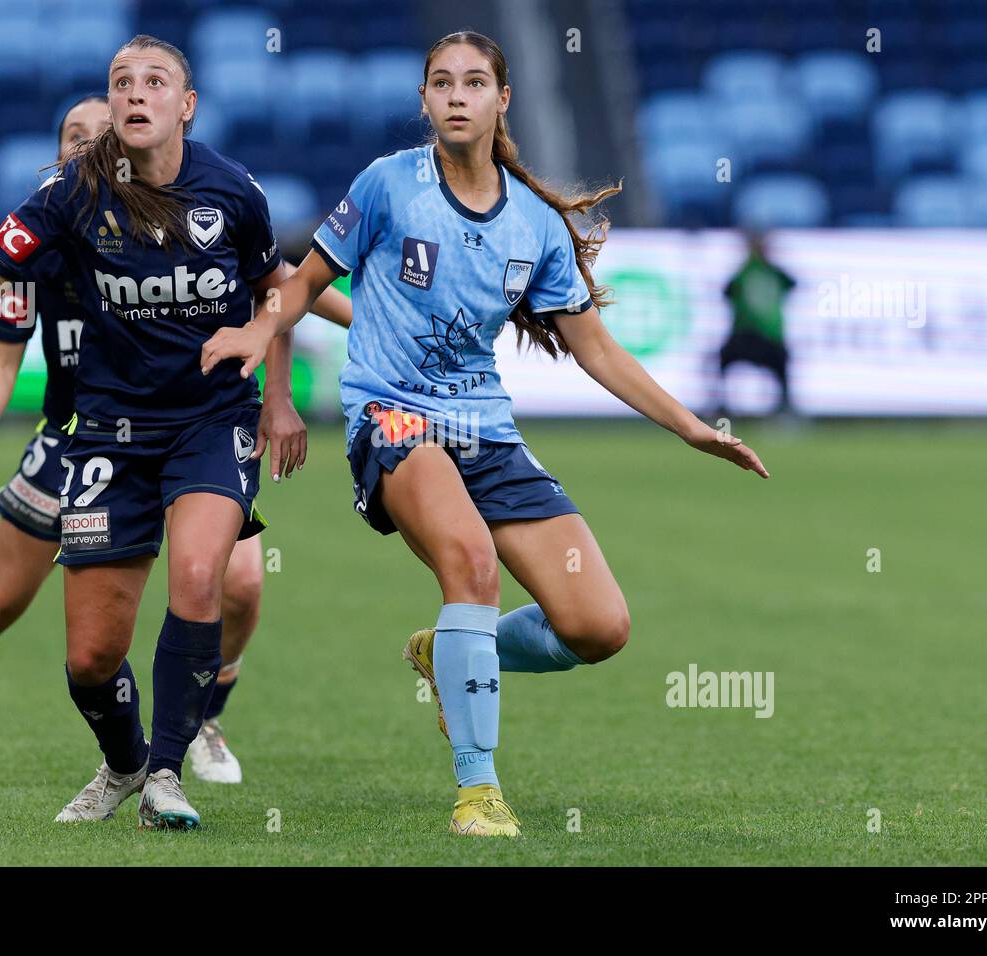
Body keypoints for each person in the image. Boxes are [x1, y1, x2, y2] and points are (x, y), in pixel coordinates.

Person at [201, 31, 770, 837]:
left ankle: (449, 652)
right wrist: (268, 363)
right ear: (426, 101)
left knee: (597, 627)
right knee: (470, 562)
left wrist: (689, 428)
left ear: (503, 100)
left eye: (474, 83)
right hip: (391, 417)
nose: (457, 95)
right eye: (442, 83)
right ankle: (479, 792)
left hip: (486, 430)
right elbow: (302, 283)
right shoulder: (387, 185)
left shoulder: (533, 223)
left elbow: (595, 348)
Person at [0, 94, 347, 788]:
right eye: (73, 136)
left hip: (194, 429)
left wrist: (365, 329)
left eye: (98, 134)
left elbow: (280, 289)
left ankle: (201, 721)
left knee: (242, 587)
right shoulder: (49, 231)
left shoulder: (184, 219)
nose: (86, 145)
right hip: (78, 442)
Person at [719, 231, 796, 415]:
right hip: (756, 335)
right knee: (724, 358)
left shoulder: (750, 272)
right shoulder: (768, 272)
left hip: (757, 336)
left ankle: (784, 407)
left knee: (725, 359)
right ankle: (722, 405)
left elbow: (727, 291)